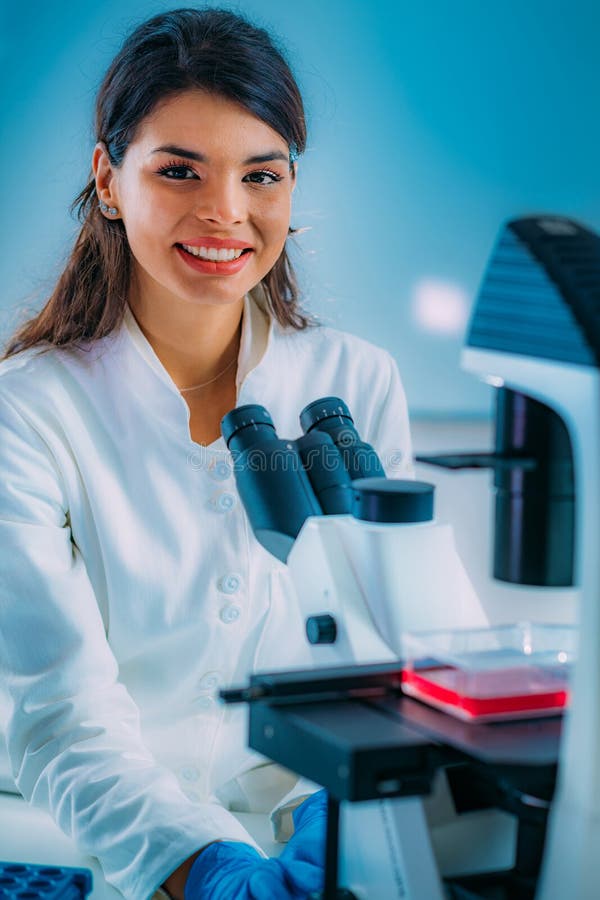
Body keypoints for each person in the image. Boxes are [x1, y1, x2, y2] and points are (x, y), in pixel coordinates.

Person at [0, 7, 413, 899]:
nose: (226, 211)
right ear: (109, 180)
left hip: (298, 835)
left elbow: (384, 661)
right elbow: (60, 714)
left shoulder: (357, 381)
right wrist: (210, 873)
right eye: (179, 170)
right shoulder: (27, 411)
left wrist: (335, 819)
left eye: (261, 174)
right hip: (81, 840)